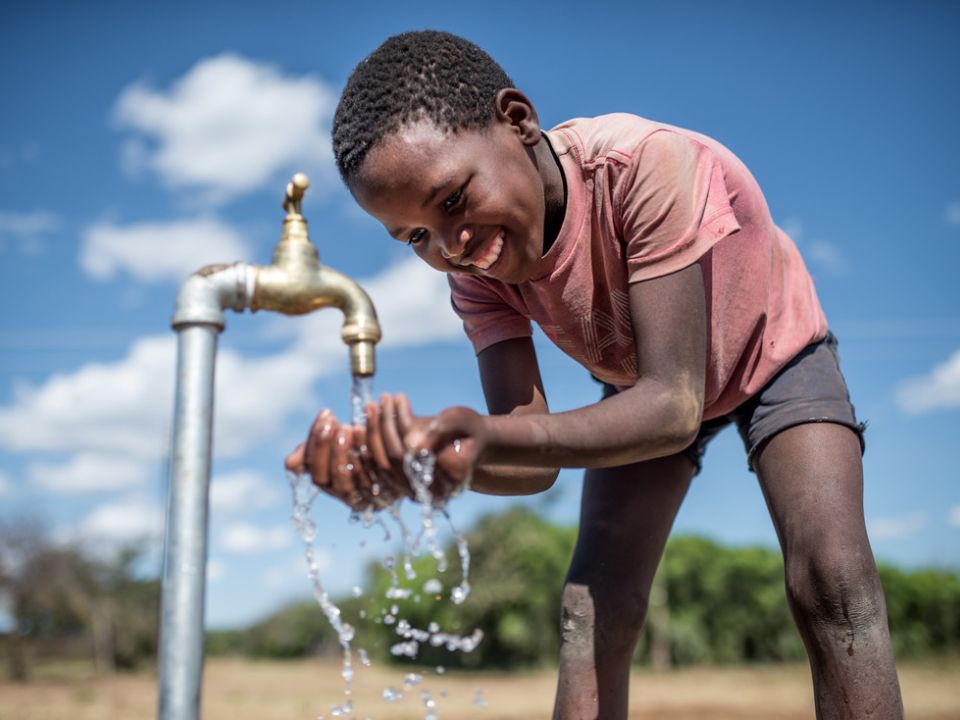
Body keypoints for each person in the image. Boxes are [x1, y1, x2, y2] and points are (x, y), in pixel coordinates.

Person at [285, 30, 904, 719]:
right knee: (589, 610)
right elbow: (528, 458)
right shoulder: (481, 273)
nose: (449, 247)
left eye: (453, 200)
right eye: (415, 237)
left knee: (832, 579)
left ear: (517, 121)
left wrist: (483, 438)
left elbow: (672, 409)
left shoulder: (646, 166)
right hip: (640, 384)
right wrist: (425, 466)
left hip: (773, 352)